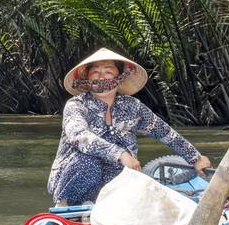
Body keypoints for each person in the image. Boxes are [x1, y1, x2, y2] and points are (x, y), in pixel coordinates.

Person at [48, 49, 213, 206]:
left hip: (117, 181)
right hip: (73, 180)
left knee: (129, 175)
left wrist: (196, 158)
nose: (101, 77)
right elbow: (79, 136)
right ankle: (64, 207)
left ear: (119, 77)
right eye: (95, 72)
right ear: (88, 78)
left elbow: (165, 133)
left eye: (108, 72)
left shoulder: (133, 107)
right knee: (88, 161)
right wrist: (120, 154)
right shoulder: (76, 105)